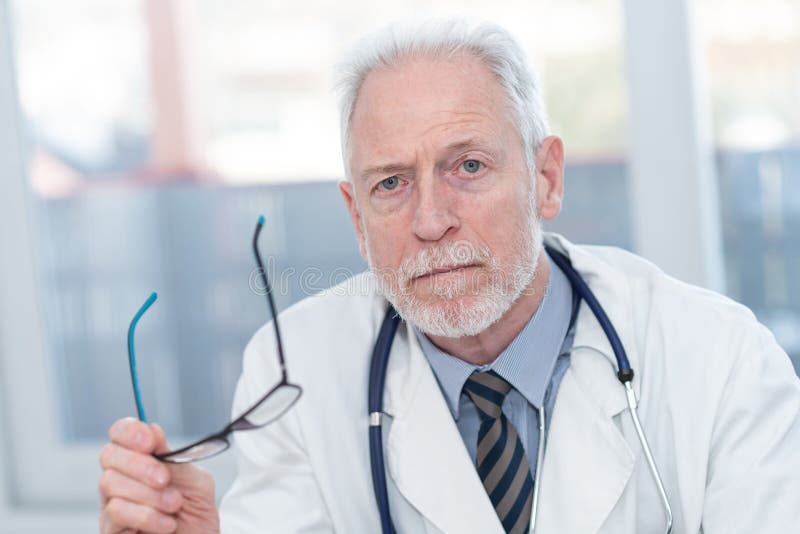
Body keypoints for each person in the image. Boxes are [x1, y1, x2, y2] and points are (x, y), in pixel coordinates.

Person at [97, 17, 800, 533]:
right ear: (355, 218)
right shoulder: (295, 374)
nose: (431, 220)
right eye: (392, 183)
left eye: (468, 166)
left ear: (546, 177)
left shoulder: (718, 357)